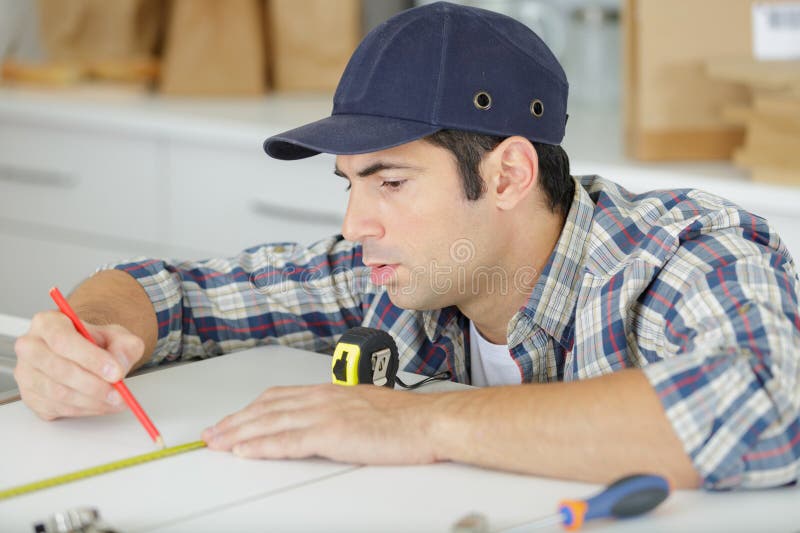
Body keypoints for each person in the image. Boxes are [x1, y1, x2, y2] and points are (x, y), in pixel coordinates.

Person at [14, 2, 800, 491]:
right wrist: (85, 334)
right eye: (348, 184)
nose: (357, 223)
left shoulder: (684, 253)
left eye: (389, 182)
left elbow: (762, 406)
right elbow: (175, 294)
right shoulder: (398, 270)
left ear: (509, 173)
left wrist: (416, 423)